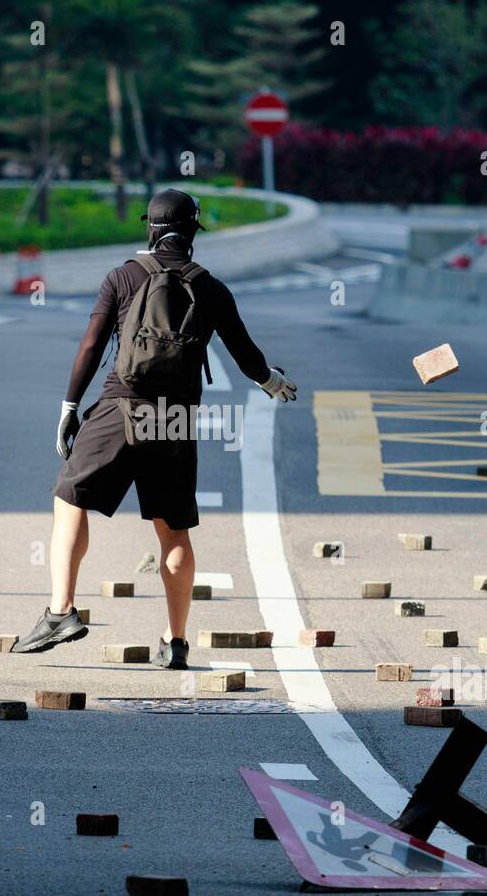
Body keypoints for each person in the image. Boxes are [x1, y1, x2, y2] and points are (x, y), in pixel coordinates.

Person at [15, 188, 297, 667]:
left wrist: (68, 407)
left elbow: (90, 348)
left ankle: (62, 610)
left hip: (120, 407)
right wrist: (273, 382)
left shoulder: (123, 278)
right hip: (176, 417)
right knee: (173, 532)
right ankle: (176, 640)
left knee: (69, 498)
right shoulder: (210, 288)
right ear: (192, 233)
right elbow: (246, 355)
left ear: (150, 227)